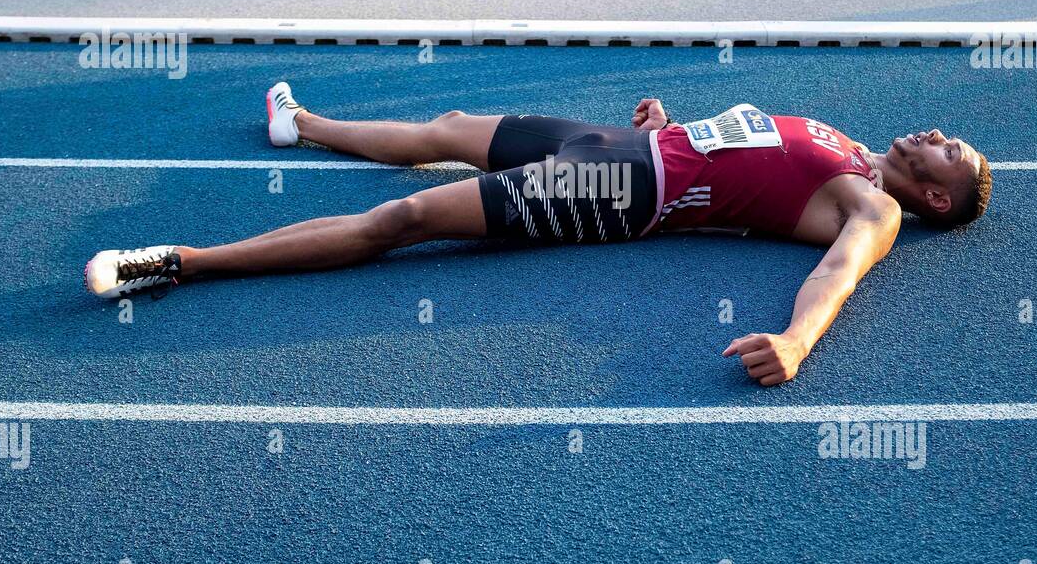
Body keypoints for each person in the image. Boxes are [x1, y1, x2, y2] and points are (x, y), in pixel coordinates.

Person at [85, 83, 991, 386]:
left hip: (619, 186)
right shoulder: (854, 148)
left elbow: (838, 274)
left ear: (937, 200)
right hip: (627, 144)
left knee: (404, 220)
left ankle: (178, 264)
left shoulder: (873, 210)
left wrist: (796, 340)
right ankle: (308, 126)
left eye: (948, 152)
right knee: (446, 128)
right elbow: (743, 153)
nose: (936, 136)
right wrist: (669, 120)